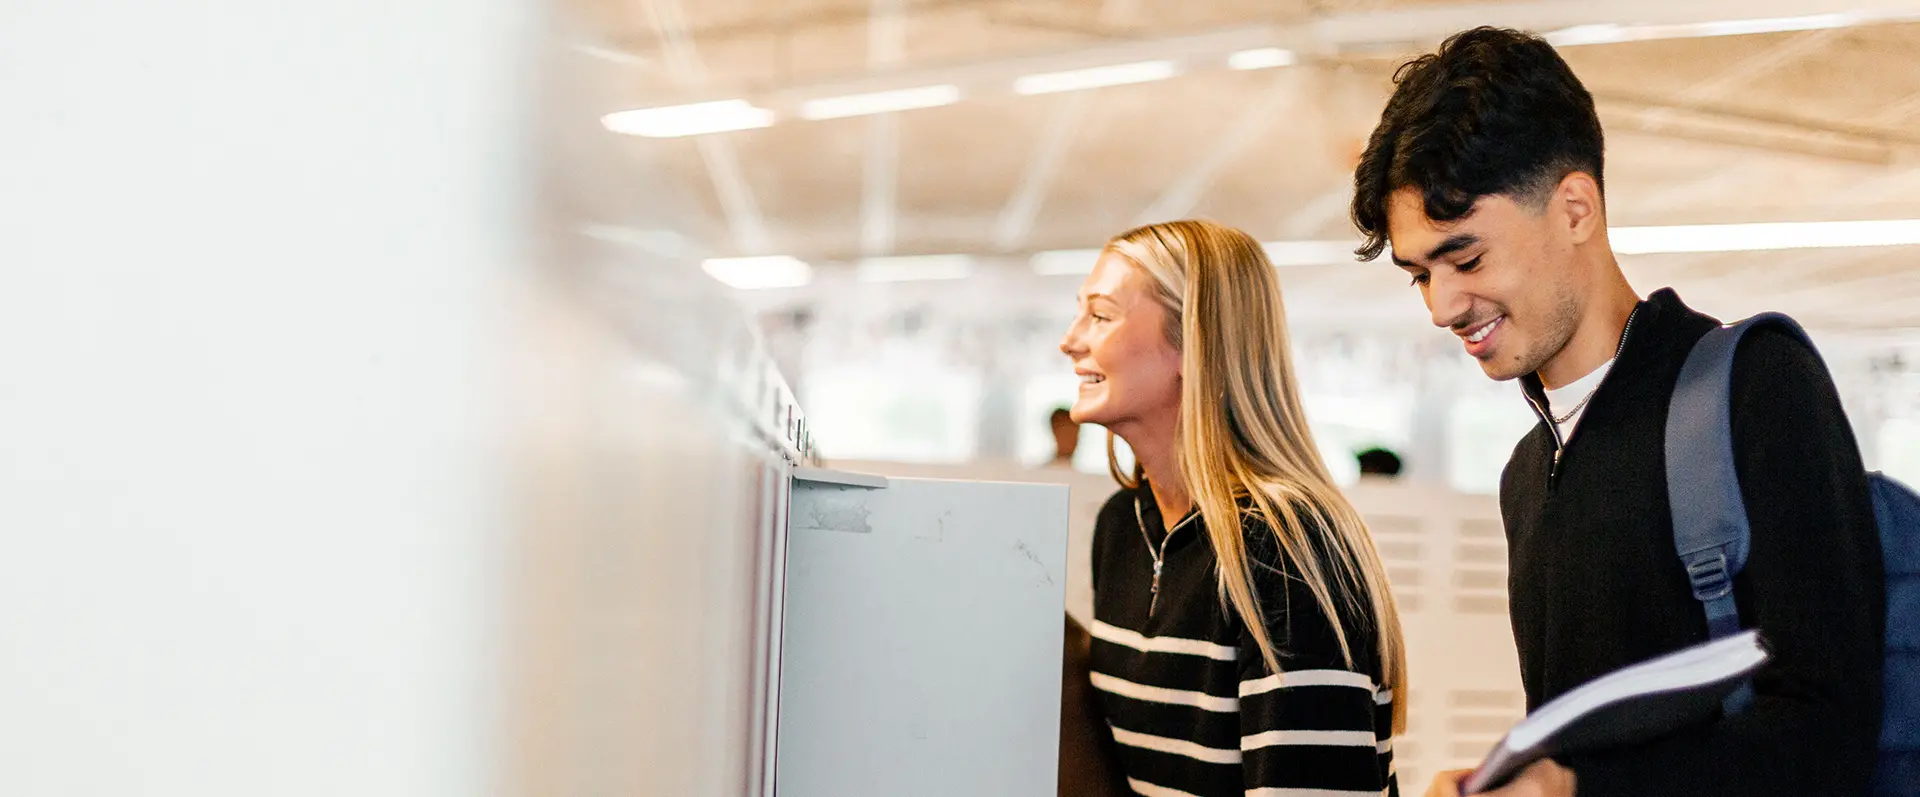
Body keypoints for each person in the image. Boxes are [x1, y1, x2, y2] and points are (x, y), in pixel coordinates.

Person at [1351, 27, 1885, 797]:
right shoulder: (1528, 475)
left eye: (1466, 259)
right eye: (1419, 275)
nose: (1442, 307)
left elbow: (1828, 735)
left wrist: (1576, 788)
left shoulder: (1755, 388)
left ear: (1575, 208)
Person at [1059, 219, 1407, 796]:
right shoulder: (1124, 525)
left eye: (1100, 315)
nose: (1072, 340)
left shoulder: (1286, 543)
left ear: (1191, 339)